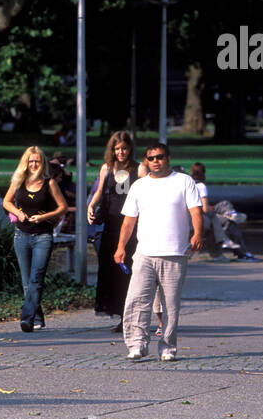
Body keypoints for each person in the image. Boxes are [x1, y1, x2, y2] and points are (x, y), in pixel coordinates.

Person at [114, 142, 205, 361]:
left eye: (160, 157)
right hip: (145, 253)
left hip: (174, 252)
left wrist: (197, 233)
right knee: (137, 300)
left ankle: (167, 348)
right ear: (146, 160)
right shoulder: (139, 186)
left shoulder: (184, 181)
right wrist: (120, 247)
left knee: (170, 305)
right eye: (151, 158)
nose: (156, 161)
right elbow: (128, 220)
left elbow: (196, 211)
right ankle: (136, 344)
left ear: (168, 158)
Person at [5, 146, 68, 332]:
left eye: (37, 161)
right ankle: (37, 317)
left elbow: (62, 207)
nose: (33, 164)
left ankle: (26, 319)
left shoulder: (49, 183)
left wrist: (44, 217)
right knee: (26, 282)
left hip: (43, 236)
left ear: (42, 164)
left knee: (36, 279)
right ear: (26, 163)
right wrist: (18, 212)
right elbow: (6, 202)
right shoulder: (19, 181)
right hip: (21, 235)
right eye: (30, 161)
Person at [87, 131, 137, 332]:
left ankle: (130, 315)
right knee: (110, 271)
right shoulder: (106, 168)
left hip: (131, 223)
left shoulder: (138, 169)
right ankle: (120, 313)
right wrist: (90, 206)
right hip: (111, 222)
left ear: (130, 148)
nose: (121, 152)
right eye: (117, 149)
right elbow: (99, 191)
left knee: (128, 270)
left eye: (124, 148)